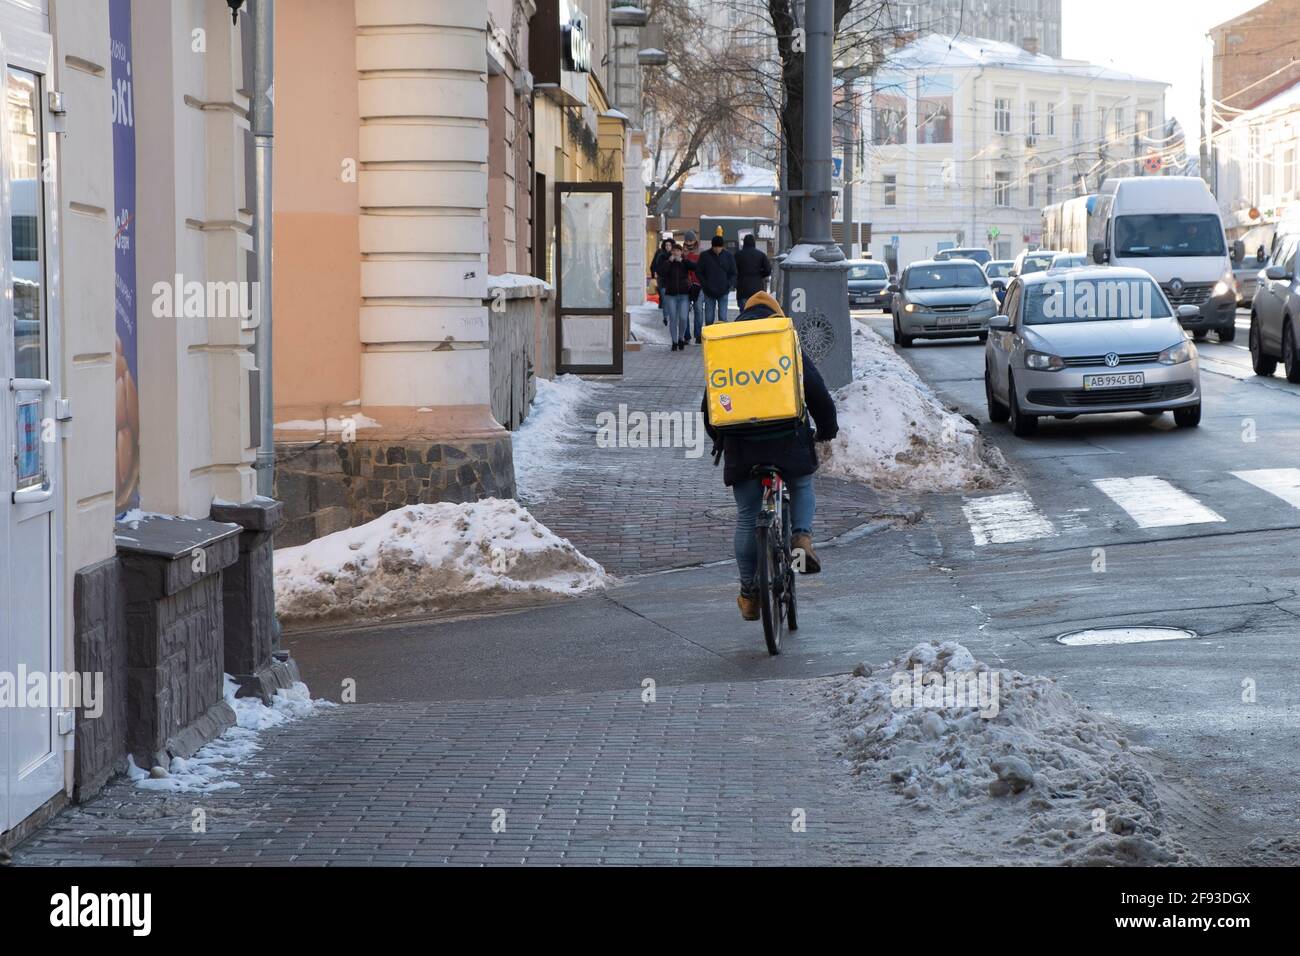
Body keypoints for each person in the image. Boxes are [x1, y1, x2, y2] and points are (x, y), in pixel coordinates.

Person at [701, 292, 839, 621]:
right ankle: (801, 538)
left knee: (748, 517)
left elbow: (710, 406)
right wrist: (827, 428)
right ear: (776, 316)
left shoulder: (728, 347)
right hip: (787, 441)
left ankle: (750, 594)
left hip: (742, 447)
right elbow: (817, 391)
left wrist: (720, 437)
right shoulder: (784, 343)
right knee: (802, 485)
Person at [655, 240, 696, 351]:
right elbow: (660, 272)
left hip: (684, 295)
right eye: (674, 251)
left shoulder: (684, 262)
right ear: (671, 252)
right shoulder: (667, 261)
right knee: (673, 319)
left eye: (678, 251)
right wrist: (669, 261)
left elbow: (695, 267)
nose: (676, 253)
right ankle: (674, 342)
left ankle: (681, 338)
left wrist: (682, 261)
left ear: (681, 252)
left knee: (683, 318)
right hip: (671, 295)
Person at [695, 235, 738, 337]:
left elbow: (733, 273)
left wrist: (729, 284)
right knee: (709, 317)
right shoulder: (705, 256)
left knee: (723, 317)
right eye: (715, 247)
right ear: (712, 246)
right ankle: (709, 336)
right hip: (709, 291)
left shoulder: (728, 256)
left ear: (722, 247)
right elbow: (699, 271)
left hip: (723, 291)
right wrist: (705, 284)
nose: (717, 249)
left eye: (719, 247)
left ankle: (722, 336)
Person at [734, 234, 772, 308]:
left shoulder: (737, 255)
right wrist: (761, 274)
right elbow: (768, 270)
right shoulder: (761, 255)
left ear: (744, 242)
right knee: (756, 312)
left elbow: (733, 270)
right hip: (757, 288)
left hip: (742, 287)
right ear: (754, 243)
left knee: (744, 313)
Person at [681, 230, 703, 347]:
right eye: (687, 240)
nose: (689, 243)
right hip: (686, 285)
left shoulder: (700, 252)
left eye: (691, 240)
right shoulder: (682, 252)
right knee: (685, 311)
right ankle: (686, 336)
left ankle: (698, 335)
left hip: (699, 285)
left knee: (698, 310)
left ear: (695, 240)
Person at [650, 234, 675, 326]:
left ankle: (671, 316)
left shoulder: (675, 255)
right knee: (665, 299)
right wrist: (653, 276)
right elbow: (655, 266)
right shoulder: (660, 255)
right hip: (663, 281)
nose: (668, 247)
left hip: (672, 282)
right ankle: (665, 317)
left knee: (671, 299)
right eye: (666, 245)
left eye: (669, 245)